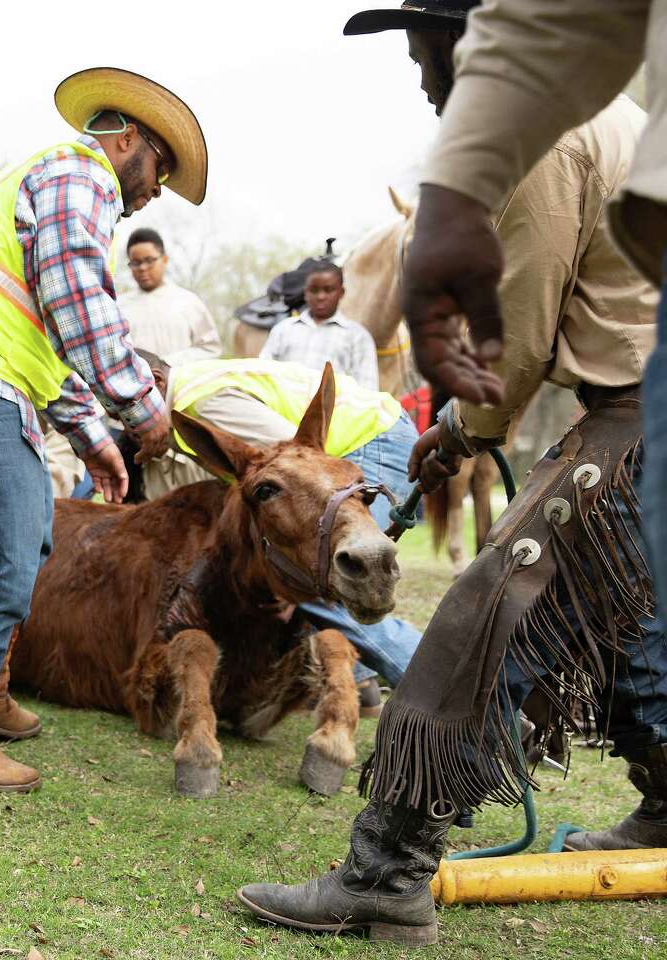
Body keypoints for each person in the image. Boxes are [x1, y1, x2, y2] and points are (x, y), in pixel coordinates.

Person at [235, 1, 666, 945]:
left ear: (476, 47)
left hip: (636, 415)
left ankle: (386, 869)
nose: (427, 89)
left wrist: (466, 429)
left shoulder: (544, 132)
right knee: (627, 623)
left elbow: (515, 333)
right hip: (638, 407)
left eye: (427, 63)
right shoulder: (603, 109)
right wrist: (461, 433)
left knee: (484, 622)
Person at [0, 67, 206, 793]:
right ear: (127, 139)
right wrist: (142, 409)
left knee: (27, 534)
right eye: (159, 169)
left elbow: (46, 339)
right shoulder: (79, 174)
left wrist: (94, 438)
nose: (154, 191)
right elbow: (77, 300)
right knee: (4, 548)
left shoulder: (64, 189)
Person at [140, 351, 422, 713]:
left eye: (124, 407)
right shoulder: (194, 394)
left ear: (156, 383)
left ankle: (460, 701)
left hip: (371, 442)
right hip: (373, 436)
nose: (125, 425)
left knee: (325, 581)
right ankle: (363, 685)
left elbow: (294, 465)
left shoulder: (198, 401)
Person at [259, 260, 379, 389]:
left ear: (341, 292)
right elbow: (262, 375)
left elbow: (368, 389)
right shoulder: (283, 330)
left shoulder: (357, 336)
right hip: (280, 407)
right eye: (314, 290)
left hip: (336, 408)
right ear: (305, 293)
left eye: (328, 290)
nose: (321, 296)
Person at [119, 227, 221, 364]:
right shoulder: (119, 306)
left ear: (164, 260)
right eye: (136, 263)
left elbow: (210, 349)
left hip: (180, 383)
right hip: (134, 383)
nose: (142, 268)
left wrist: (167, 363)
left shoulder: (188, 302)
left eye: (149, 260)